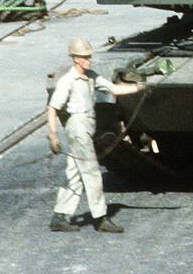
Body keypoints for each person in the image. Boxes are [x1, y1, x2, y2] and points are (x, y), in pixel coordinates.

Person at [47, 38, 145, 234]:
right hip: (77, 126)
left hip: (86, 126)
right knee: (92, 173)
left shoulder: (91, 76)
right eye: (85, 57)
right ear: (76, 59)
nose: (89, 60)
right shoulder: (68, 81)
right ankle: (100, 219)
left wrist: (139, 88)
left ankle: (59, 217)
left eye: (89, 56)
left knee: (74, 174)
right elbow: (53, 108)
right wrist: (53, 136)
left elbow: (114, 89)